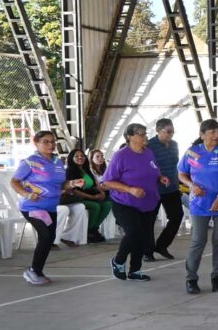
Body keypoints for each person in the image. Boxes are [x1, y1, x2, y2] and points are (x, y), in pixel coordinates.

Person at [102, 123, 170, 282]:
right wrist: (130, 189)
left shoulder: (148, 153)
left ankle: (135, 270)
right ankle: (118, 261)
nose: (145, 136)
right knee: (134, 232)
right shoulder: (121, 156)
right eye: (141, 134)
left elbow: (154, 171)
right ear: (130, 137)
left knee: (143, 236)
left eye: (145, 133)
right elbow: (108, 181)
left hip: (147, 202)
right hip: (125, 202)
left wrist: (161, 178)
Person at [10, 131, 80, 285]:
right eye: (46, 142)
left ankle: (36, 270)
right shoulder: (30, 162)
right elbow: (14, 181)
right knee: (46, 237)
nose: (51, 145)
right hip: (33, 207)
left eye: (53, 142)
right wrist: (27, 194)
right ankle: (34, 271)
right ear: (36, 143)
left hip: (52, 207)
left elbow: (62, 184)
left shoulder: (58, 162)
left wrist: (73, 183)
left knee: (49, 239)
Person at [179, 119, 218, 294]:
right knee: (198, 240)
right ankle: (191, 278)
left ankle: (217, 276)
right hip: (199, 203)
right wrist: (191, 185)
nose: (217, 135)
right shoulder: (192, 153)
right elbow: (181, 173)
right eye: (212, 132)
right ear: (202, 134)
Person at [148, 118, 183, 260]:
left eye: (173, 132)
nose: (171, 135)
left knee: (176, 216)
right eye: (168, 132)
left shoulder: (174, 145)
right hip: (154, 188)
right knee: (149, 221)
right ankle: (147, 251)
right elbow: (147, 166)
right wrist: (158, 176)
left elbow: (175, 165)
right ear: (158, 130)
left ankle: (162, 245)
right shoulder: (149, 145)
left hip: (172, 188)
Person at [65, 149, 111, 244]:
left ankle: (94, 228)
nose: (80, 157)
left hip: (92, 196)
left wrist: (101, 193)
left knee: (107, 205)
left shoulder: (86, 170)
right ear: (71, 158)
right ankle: (88, 231)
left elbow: (95, 184)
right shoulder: (70, 170)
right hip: (78, 198)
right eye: (76, 156)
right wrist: (93, 198)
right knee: (95, 206)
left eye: (82, 156)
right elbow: (74, 191)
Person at [55, 151, 92, 248]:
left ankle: (68, 236)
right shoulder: (68, 170)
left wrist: (72, 185)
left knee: (80, 207)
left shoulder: (61, 173)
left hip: (64, 199)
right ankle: (52, 241)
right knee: (63, 209)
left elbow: (67, 186)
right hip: (51, 200)